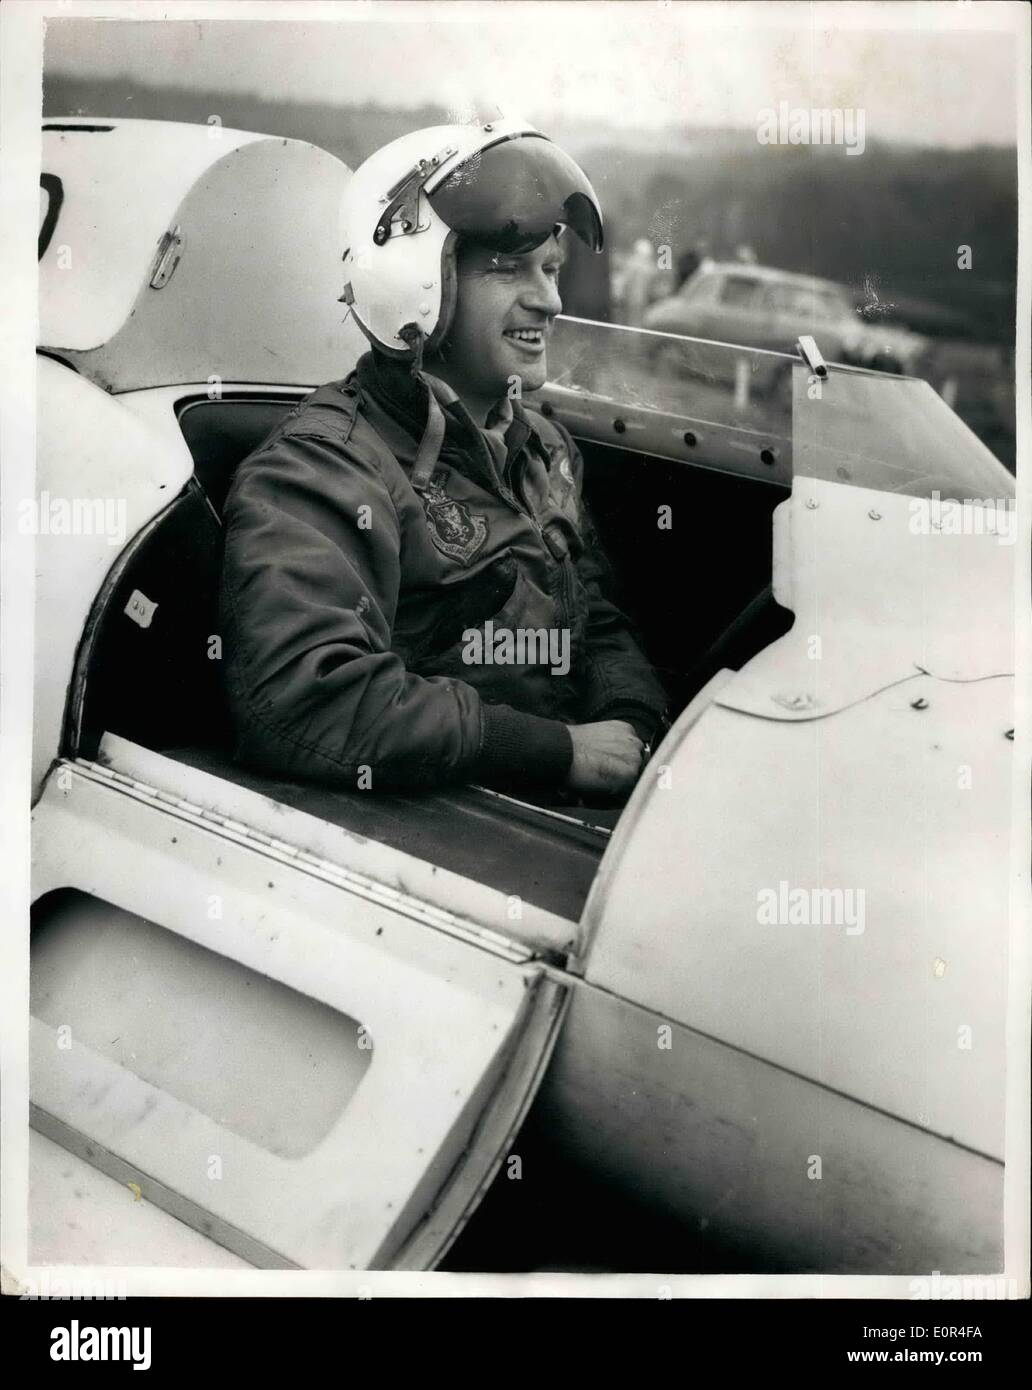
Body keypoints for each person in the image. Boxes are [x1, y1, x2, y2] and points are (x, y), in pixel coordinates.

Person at [219, 117, 667, 804]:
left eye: (551, 269)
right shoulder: (324, 469)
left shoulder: (545, 450)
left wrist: (632, 723)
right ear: (418, 284)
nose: (549, 300)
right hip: (446, 816)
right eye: (508, 269)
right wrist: (555, 752)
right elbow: (300, 696)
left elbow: (594, 617)